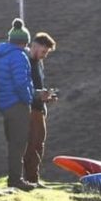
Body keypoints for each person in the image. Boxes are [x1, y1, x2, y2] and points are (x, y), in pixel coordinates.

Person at [0, 18, 36, 191]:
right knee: (18, 143)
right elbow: (20, 83)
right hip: (17, 104)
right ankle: (16, 179)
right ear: (24, 41)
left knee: (13, 142)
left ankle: (15, 177)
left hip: (5, 103)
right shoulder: (18, 56)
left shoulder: (1, 55)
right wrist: (28, 98)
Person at [24, 32, 57, 186]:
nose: (44, 55)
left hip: (39, 108)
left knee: (38, 143)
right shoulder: (25, 62)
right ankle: (31, 178)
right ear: (35, 46)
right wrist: (39, 95)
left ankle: (33, 176)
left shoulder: (38, 63)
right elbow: (24, 87)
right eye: (43, 51)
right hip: (31, 109)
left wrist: (47, 96)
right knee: (33, 144)